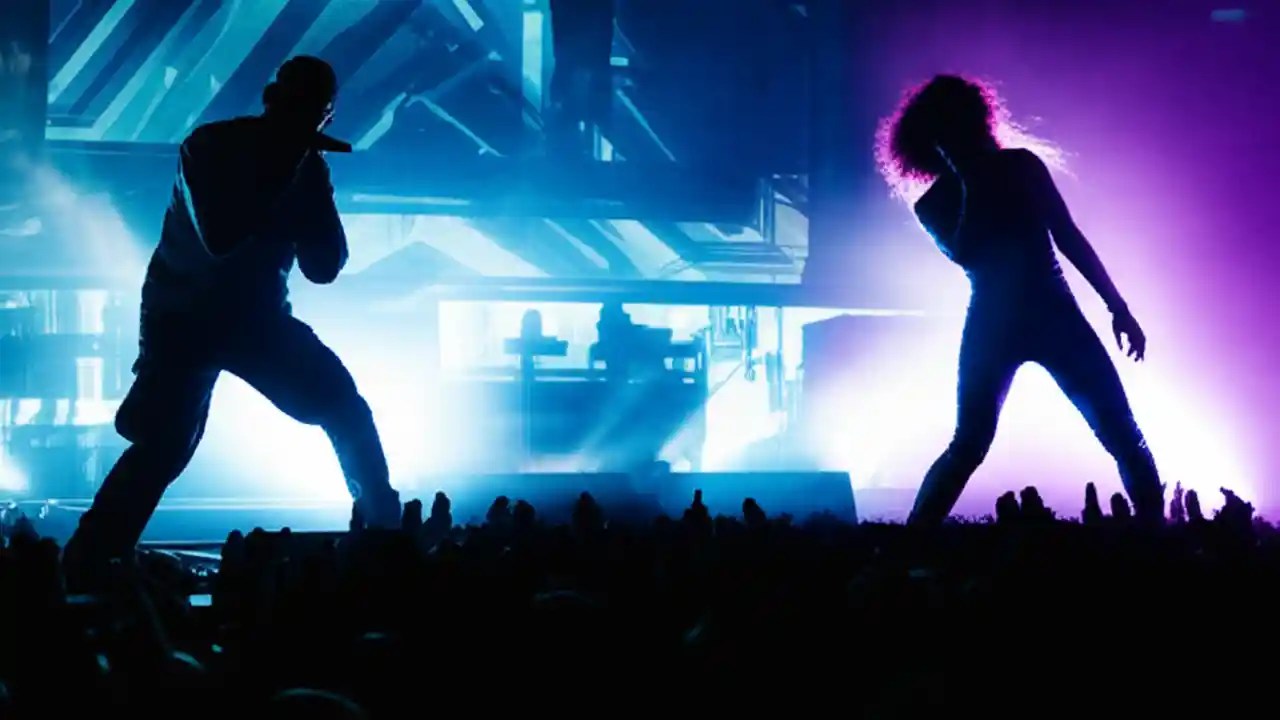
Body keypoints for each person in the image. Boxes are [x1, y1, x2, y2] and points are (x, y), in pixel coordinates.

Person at [64, 57, 400, 578]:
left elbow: (324, 267)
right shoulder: (209, 146)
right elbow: (219, 236)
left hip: (252, 318)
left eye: (315, 115)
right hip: (184, 316)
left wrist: (310, 187)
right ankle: (89, 560)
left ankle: (383, 527)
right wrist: (290, 172)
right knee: (165, 446)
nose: (308, 123)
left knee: (344, 408)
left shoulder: (307, 166)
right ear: (272, 100)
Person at [875, 75, 1163, 525]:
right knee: (969, 444)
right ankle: (909, 547)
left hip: (1053, 317)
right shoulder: (932, 204)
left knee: (1121, 431)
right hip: (997, 325)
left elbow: (1068, 237)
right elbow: (964, 252)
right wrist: (969, 183)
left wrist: (1118, 308)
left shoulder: (1022, 167)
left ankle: (1156, 537)